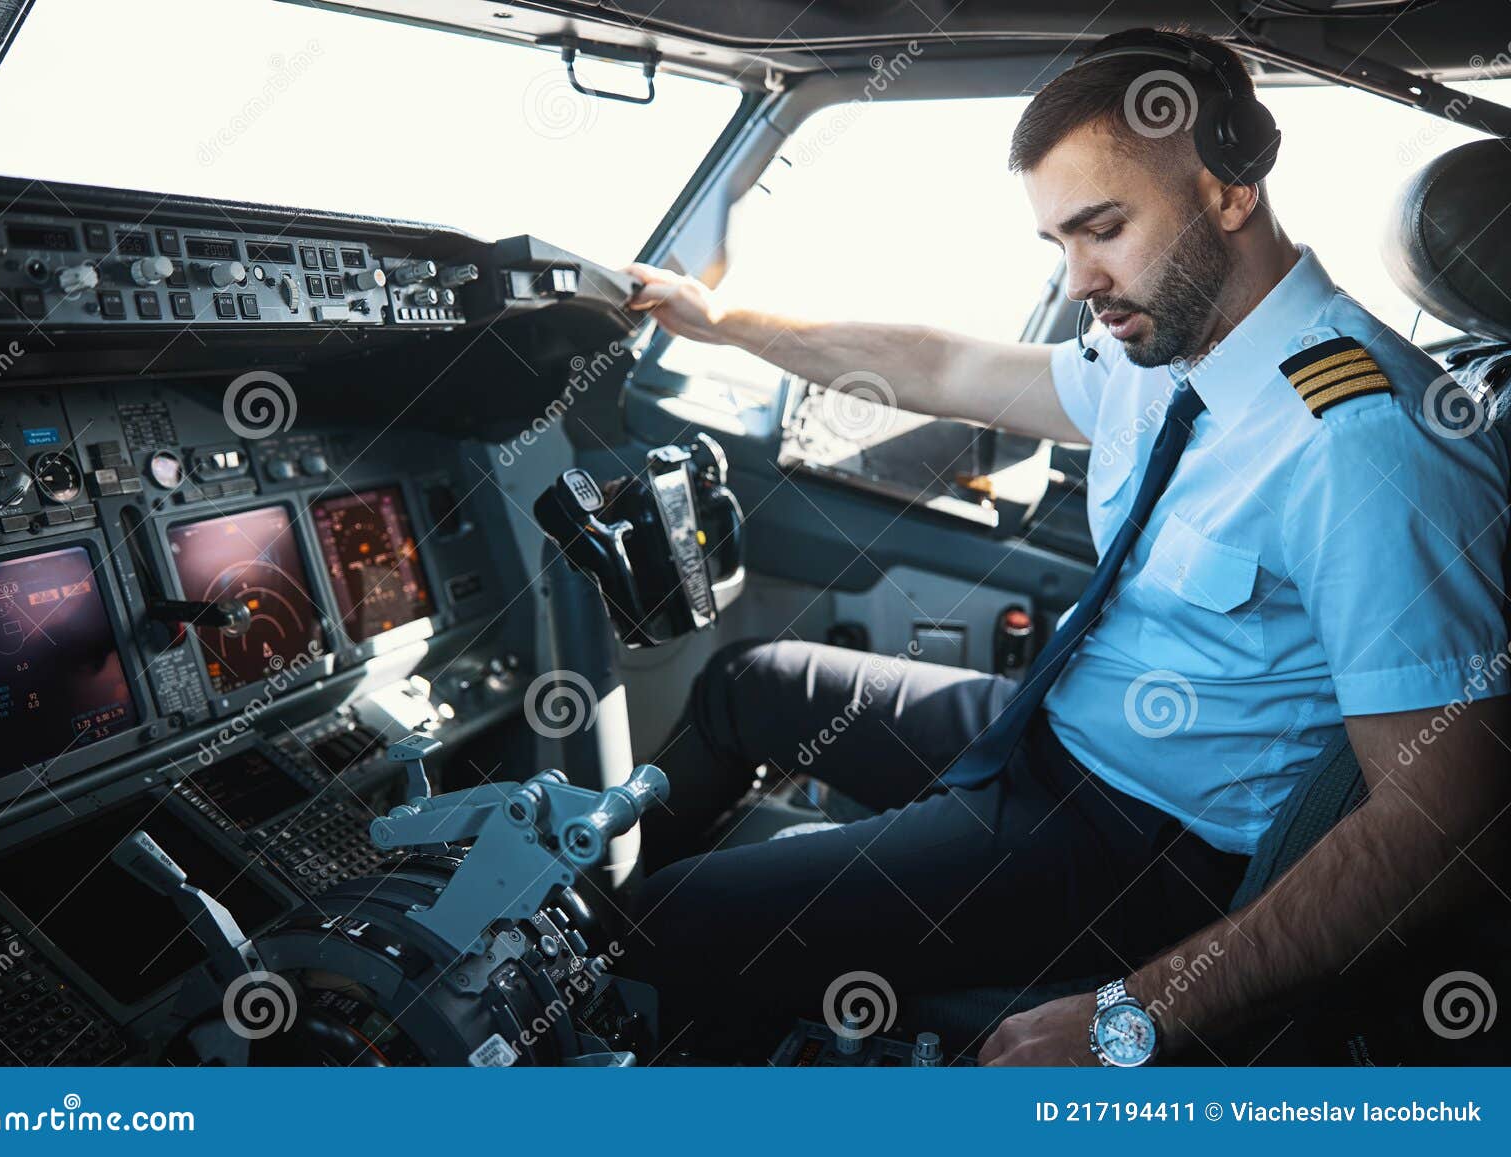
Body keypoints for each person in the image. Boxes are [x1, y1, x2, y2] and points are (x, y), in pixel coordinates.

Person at [617, 28, 1511, 1065]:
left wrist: (1131, 1013)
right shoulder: (1160, 342)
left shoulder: (1362, 441)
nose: (1083, 278)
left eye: (1104, 229)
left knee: (672, 923)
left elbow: (1444, 820)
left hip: (1137, 838)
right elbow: (947, 365)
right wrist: (725, 322)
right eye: (1060, 245)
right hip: (1050, 731)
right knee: (748, 683)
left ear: (1228, 190)